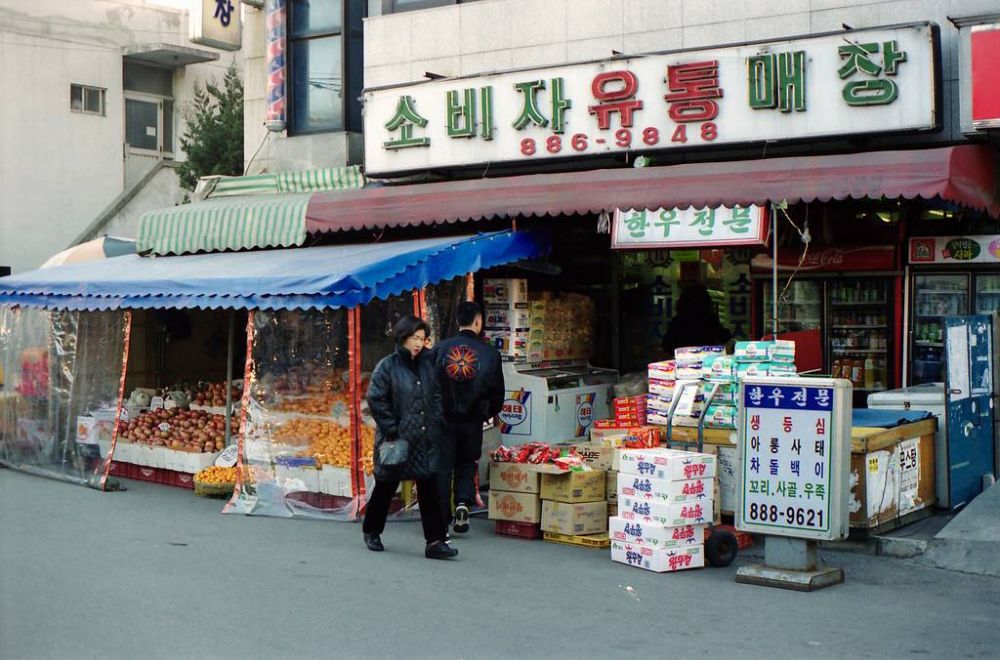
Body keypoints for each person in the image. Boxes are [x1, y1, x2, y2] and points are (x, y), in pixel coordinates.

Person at [363, 315, 457, 560]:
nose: (418, 343)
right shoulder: (388, 365)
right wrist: (391, 428)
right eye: (414, 337)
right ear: (403, 337)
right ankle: (372, 530)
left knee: (430, 490)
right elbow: (376, 398)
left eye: (422, 338)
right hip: (397, 438)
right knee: (386, 485)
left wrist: (436, 422)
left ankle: (435, 541)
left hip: (425, 439)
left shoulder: (428, 364)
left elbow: (436, 395)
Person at [434, 301, 505, 535]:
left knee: (443, 466)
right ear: (478, 321)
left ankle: (442, 516)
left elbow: (428, 385)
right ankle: (463, 503)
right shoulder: (490, 353)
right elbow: (497, 392)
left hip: (443, 419)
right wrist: (486, 412)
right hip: (473, 420)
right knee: (466, 463)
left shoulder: (440, 349)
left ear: (457, 321)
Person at [660, 282, 732, 358]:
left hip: (683, 360)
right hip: (706, 360)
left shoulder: (678, 321)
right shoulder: (708, 320)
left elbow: (666, 345)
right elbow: (724, 337)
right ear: (706, 301)